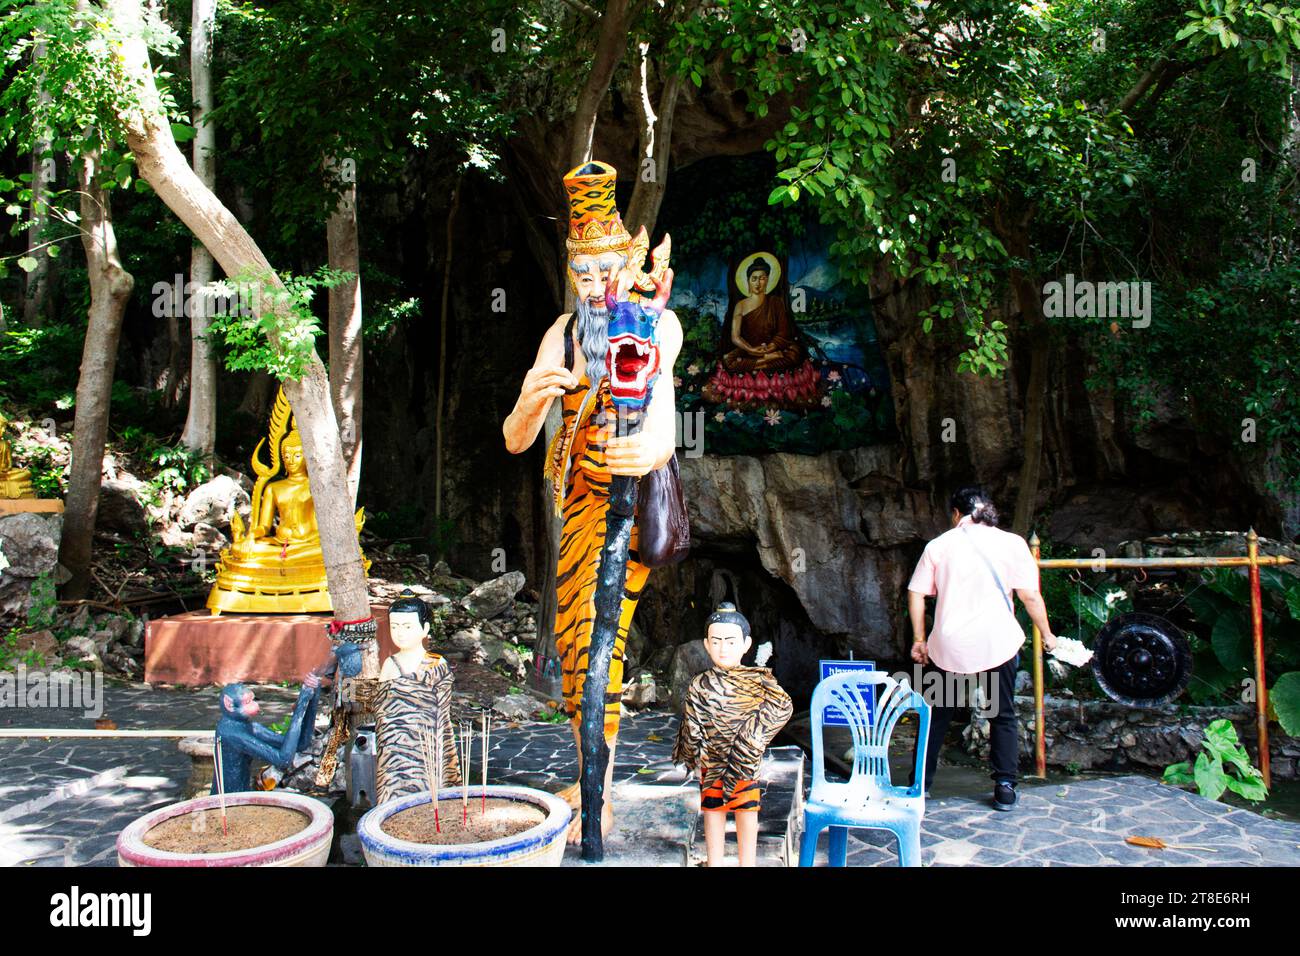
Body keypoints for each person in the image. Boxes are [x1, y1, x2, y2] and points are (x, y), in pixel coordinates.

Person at [502, 160, 681, 843]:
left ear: (628, 267)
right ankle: (592, 776)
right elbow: (516, 440)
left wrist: (652, 444)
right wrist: (529, 401)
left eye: (605, 271)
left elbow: (661, 415)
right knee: (576, 652)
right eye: (581, 274)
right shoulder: (564, 333)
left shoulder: (656, 325)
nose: (595, 287)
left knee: (599, 645)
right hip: (573, 508)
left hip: (624, 514)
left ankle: (597, 793)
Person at [907, 486, 1057, 810]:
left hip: (950, 646)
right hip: (996, 642)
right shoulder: (1013, 544)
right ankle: (1004, 786)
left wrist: (920, 639)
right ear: (988, 512)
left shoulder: (939, 546)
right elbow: (1030, 596)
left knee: (935, 715)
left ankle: (920, 785)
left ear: (956, 515)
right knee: (1001, 714)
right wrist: (1047, 635)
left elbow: (916, 593)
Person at [673, 603, 792, 866]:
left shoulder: (757, 681)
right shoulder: (699, 684)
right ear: (706, 644)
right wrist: (694, 752)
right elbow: (692, 722)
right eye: (716, 641)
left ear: (746, 644)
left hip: (744, 763)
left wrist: (753, 738)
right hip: (711, 761)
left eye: (730, 641)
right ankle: (714, 861)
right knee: (712, 810)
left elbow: (783, 707)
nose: (723, 648)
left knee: (747, 811)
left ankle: (746, 863)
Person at [374, 590, 460, 804]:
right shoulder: (390, 665)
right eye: (394, 627)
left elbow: (441, 713)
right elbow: (383, 712)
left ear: (425, 629)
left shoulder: (436, 664)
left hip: (430, 746)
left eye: (407, 626)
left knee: (432, 798)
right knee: (396, 802)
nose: (400, 633)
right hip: (396, 752)